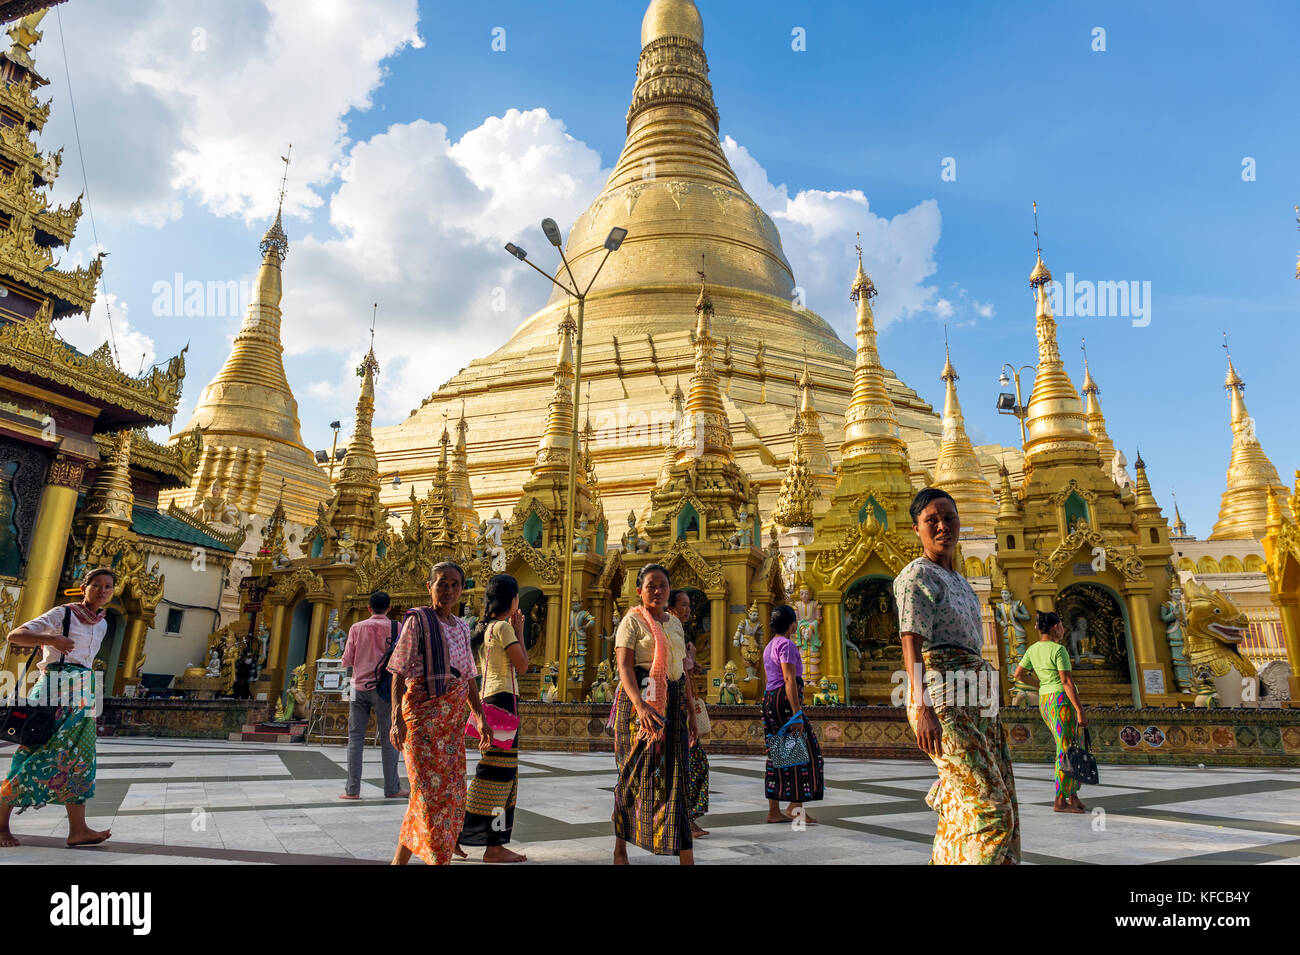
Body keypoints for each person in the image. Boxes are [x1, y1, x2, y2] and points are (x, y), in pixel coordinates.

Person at [895, 487, 1021, 864]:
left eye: (948, 518)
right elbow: (910, 643)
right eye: (931, 520)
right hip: (942, 699)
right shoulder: (917, 575)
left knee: (964, 810)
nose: (942, 526)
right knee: (992, 812)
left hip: (978, 699)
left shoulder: (963, 583)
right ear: (916, 528)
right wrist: (923, 707)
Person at [0, 567, 115, 849]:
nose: (102, 591)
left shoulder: (102, 623)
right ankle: (1, 825)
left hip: (85, 692)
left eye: (108, 587)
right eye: (96, 585)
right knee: (33, 754)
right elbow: (15, 636)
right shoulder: (62, 614)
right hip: (53, 688)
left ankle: (79, 830)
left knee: (81, 758)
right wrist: (51, 639)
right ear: (84, 587)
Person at [387, 561, 490, 865]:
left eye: (455, 584)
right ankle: (439, 859)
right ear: (428, 587)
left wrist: (480, 717)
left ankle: (398, 862)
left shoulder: (460, 626)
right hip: (421, 717)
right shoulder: (417, 621)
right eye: (442, 583)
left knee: (449, 795)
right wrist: (396, 718)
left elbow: (469, 676)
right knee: (429, 796)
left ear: (462, 589)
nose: (448, 590)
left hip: (452, 724)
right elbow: (397, 670)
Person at [611, 564, 697, 864]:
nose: (658, 591)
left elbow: (681, 671)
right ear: (640, 591)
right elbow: (624, 667)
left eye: (663, 585)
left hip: (672, 702)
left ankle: (686, 856)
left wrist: (692, 713)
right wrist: (640, 705)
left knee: (678, 778)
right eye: (651, 585)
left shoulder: (674, 624)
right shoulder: (632, 621)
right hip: (640, 702)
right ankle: (620, 848)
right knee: (633, 775)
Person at [457, 573, 528, 862]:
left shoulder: (484, 627)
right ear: (512, 600)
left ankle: (466, 835)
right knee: (499, 775)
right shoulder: (503, 629)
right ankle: (492, 846)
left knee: (494, 773)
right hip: (504, 701)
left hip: (488, 700)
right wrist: (519, 631)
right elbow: (522, 665)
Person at [1014, 611, 1088, 813]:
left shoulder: (1032, 649)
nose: (1063, 629)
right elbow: (1066, 682)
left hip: (1045, 700)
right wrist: (1080, 710)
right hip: (1061, 701)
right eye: (1061, 625)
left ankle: (1073, 796)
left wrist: (1040, 684)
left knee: (1068, 745)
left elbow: (1018, 675)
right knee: (1065, 749)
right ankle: (1059, 801)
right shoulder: (1059, 650)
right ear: (1055, 627)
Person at [339, 590, 406, 801]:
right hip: (386, 690)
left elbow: (347, 659)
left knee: (355, 738)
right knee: (389, 738)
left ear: (369, 608)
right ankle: (392, 787)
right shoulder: (397, 627)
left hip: (358, 687)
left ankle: (352, 790)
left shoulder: (357, 628)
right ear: (389, 608)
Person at [762, 603, 824, 823]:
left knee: (779, 753)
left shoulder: (770, 645)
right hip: (785, 701)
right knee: (805, 751)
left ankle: (773, 811)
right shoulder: (787, 645)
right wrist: (797, 714)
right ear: (793, 624)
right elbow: (789, 679)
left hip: (770, 700)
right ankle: (795, 808)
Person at [669, 588, 710, 838]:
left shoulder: (676, 630)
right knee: (691, 764)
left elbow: (683, 670)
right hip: (677, 708)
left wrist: (692, 662)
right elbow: (679, 674)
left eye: (689, 605)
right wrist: (690, 716)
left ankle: (685, 817)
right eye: (683, 605)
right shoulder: (670, 629)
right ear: (671, 608)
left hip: (680, 705)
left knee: (691, 763)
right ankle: (683, 819)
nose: (689, 610)